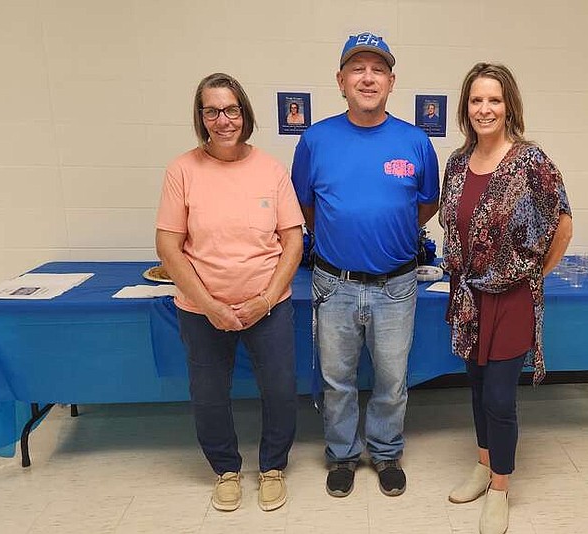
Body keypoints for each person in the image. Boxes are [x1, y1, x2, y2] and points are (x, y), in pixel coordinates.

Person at [291, 32, 440, 498]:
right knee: (337, 380)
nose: (368, 77)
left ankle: (386, 451)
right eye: (358, 69)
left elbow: (426, 205)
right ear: (341, 80)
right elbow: (308, 207)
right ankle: (341, 455)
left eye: (378, 70)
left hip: (397, 286)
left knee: (392, 380)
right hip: (333, 284)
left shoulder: (415, 142)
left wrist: (384, 232)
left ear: (392, 82)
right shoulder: (315, 140)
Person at [155, 72, 304, 513]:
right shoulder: (182, 170)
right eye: (212, 111)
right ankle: (226, 469)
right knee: (209, 393)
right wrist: (210, 305)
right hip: (202, 310)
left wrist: (265, 298)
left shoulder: (270, 169)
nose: (223, 120)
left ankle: (273, 467)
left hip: (269, 305)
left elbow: (293, 241)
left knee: (279, 388)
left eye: (231, 109)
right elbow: (168, 244)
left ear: (245, 113)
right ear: (201, 117)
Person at [439, 63, 572, 534]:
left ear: (509, 105)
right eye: (476, 100)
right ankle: (482, 463)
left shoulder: (531, 162)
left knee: (499, 396)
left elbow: (563, 223)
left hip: (512, 298)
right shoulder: (456, 163)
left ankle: (500, 487)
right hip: (469, 298)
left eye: (493, 100)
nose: (484, 108)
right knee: (475, 387)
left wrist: (533, 272)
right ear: (466, 108)